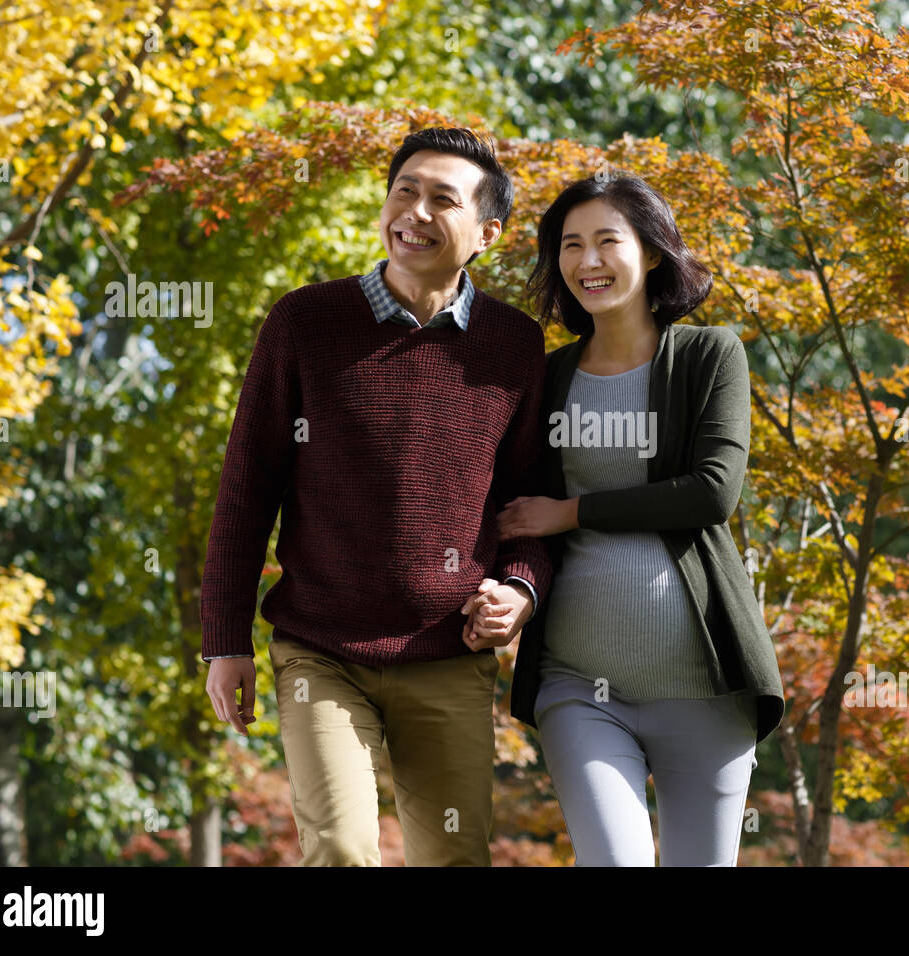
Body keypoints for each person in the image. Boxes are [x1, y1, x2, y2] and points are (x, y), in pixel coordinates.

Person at [200, 127, 552, 866]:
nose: (415, 212)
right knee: (343, 849)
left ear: (487, 231)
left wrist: (520, 589)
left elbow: (530, 504)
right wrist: (225, 639)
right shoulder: (304, 322)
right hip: (320, 651)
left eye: (441, 200)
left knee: (455, 858)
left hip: (450, 654)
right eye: (405, 191)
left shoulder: (515, 346)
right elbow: (244, 490)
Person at [497, 173, 785, 866]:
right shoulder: (549, 375)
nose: (587, 261)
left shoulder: (709, 356)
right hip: (578, 684)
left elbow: (713, 492)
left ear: (651, 252)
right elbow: (515, 510)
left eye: (607, 241)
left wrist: (573, 512)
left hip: (705, 689)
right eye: (570, 245)